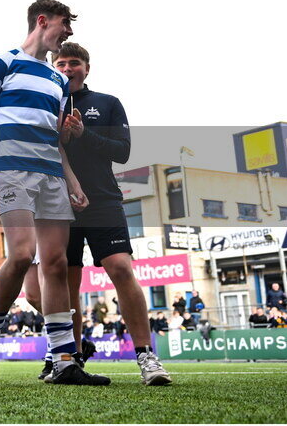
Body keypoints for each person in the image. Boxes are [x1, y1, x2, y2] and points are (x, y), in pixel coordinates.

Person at [0, 0, 109, 387]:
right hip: (12, 173)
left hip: (52, 178)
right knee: (21, 255)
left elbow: (57, 143)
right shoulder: (2, 62)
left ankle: (65, 360)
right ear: (42, 21)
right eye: (65, 24)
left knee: (54, 264)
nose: (69, 32)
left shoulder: (58, 81)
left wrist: (73, 182)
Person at [51, 42, 171, 386]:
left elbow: (123, 152)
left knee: (120, 267)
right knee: (67, 282)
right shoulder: (46, 104)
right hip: (60, 205)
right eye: (61, 63)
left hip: (103, 201)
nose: (68, 68)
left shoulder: (107, 103)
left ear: (87, 68)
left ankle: (147, 356)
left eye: (74, 63)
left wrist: (83, 134)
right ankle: (68, 361)